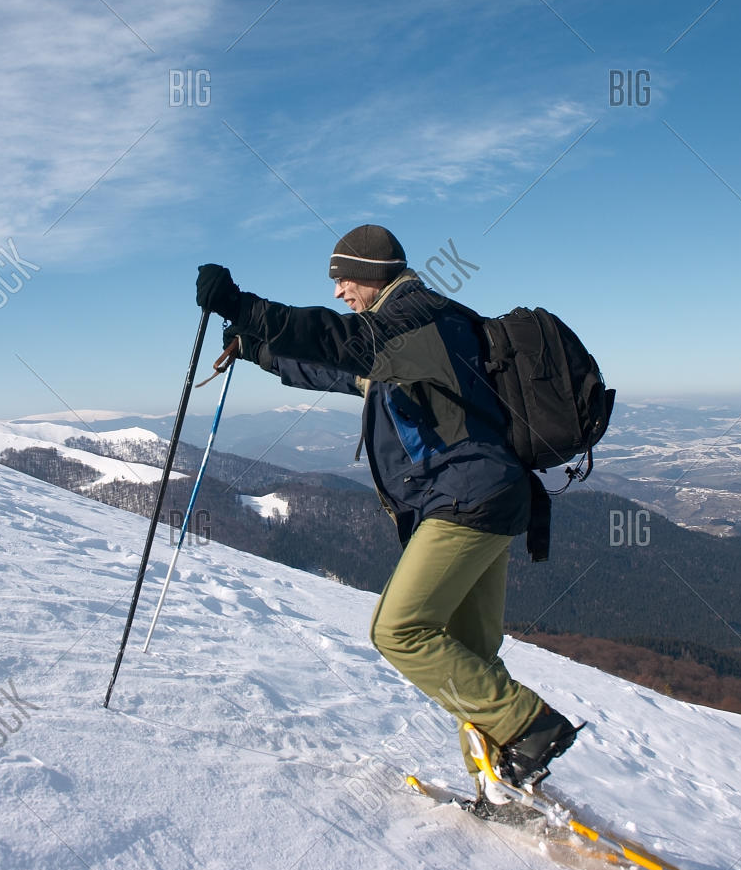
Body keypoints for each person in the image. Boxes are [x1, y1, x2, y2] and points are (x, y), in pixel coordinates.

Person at [195, 224, 578, 799]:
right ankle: (501, 780)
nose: (338, 292)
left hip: (467, 498)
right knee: (470, 654)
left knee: (398, 630)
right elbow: (336, 367)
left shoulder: (416, 317)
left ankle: (530, 727)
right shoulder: (405, 333)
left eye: (343, 280)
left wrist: (244, 308)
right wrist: (257, 349)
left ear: (370, 274)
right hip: (491, 497)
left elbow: (334, 339)